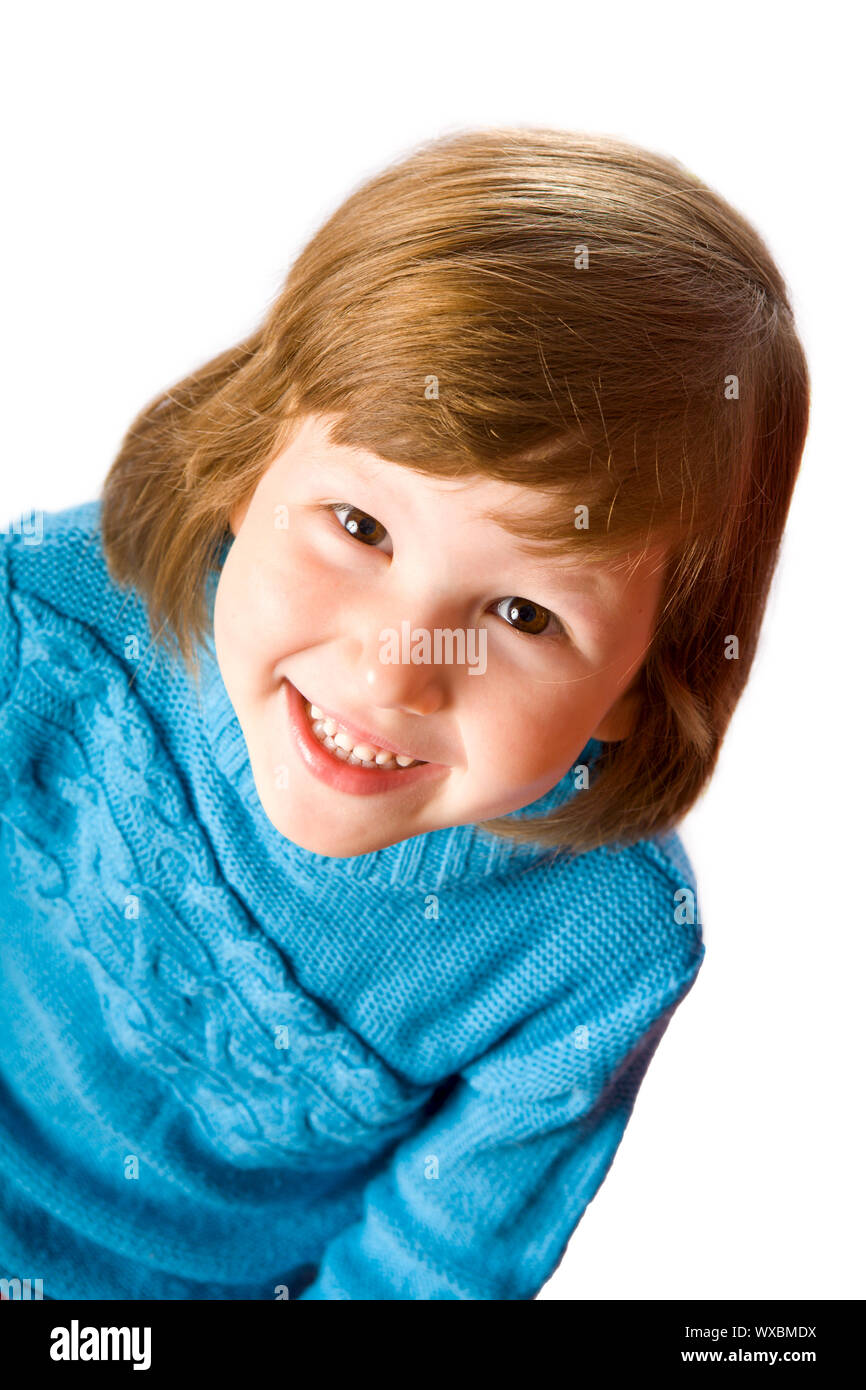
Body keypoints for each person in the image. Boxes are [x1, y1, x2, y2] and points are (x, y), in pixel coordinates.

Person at [0, 126, 809, 1300]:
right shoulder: (59, 614)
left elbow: (427, 1266)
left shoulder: (596, 945)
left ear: (643, 683)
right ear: (241, 462)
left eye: (524, 615)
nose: (392, 674)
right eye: (361, 529)